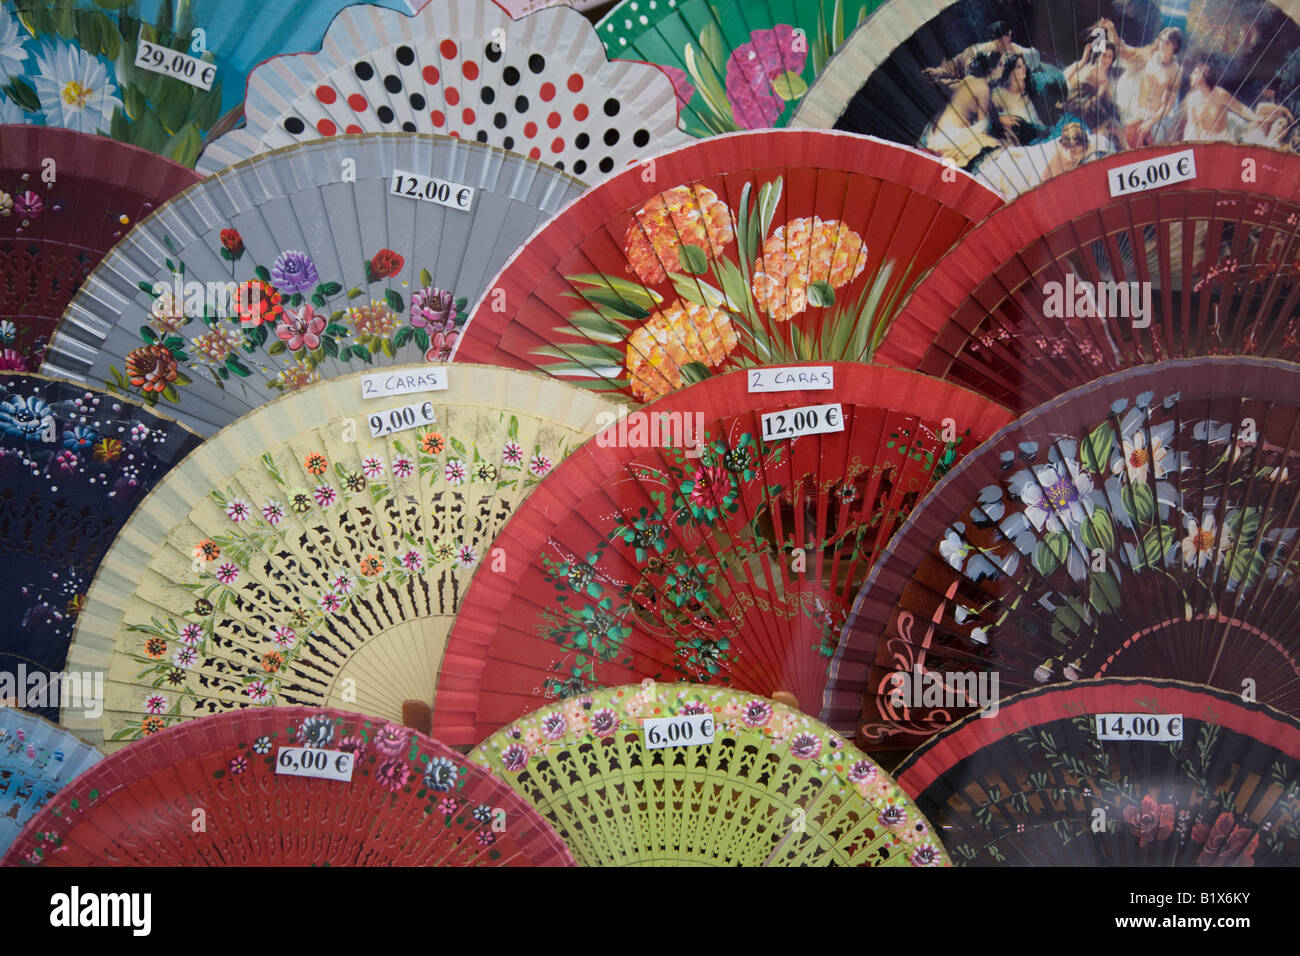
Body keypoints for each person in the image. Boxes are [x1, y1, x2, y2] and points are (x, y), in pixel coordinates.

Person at [1093, 21, 1184, 146]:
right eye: (1161, 40)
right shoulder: (1149, 55)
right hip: (1135, 112)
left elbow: (1168, 104)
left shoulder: (1176, 71)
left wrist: (1150, 123)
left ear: (1175, 46)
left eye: (1167, 42)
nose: (1162, 44)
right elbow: (1125, 51)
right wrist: (1112, 30)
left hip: (1154, 119)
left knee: (1149, 147)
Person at [920, 51, 1002, 166]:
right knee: (992, 144)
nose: (1003, 68)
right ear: (990, 69)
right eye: (1000, 65)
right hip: (949, 135)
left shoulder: (968, 79)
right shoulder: (984, 88)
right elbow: (982, 126)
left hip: (940, 129)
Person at [1177, 56, 1257, 141]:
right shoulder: (1192, 98)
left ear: (1204, 76)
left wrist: (1255, 118)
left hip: (1221, 139)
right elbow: (1191, 125)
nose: (1191, 75)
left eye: (1196, 72)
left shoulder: (1220, 94)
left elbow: (1240, 108)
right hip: (1204, 139)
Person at [991, 53, 1046, 144]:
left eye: (1023, 64)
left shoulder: (1032, 84)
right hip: (1025, 141)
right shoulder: (999, 95)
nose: (1023, 68)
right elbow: (988, 120)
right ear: (1010, 71)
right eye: (1018, 66)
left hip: (1043, 132)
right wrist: (999, 119)